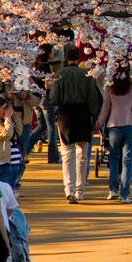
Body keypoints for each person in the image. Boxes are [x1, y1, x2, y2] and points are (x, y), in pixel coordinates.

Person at [49, 43, 101, 203]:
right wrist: (97, 118)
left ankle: (69, 189)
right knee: (82, 155)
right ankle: (80, 189)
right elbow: (93, 100)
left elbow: (54, 99)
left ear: (66, 57)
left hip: (66, 115)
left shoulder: (59, 74)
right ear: (79, 58)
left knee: (67, 154)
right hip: (83, 115)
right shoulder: (86, 75)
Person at [96, 64, 132, 203]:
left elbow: (105, 108)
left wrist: (99, 123)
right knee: (127, 160)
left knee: (114, 159)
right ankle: (125, 194)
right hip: (131, 125)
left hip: (114, 125)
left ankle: (113, 190)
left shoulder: (110, 87)